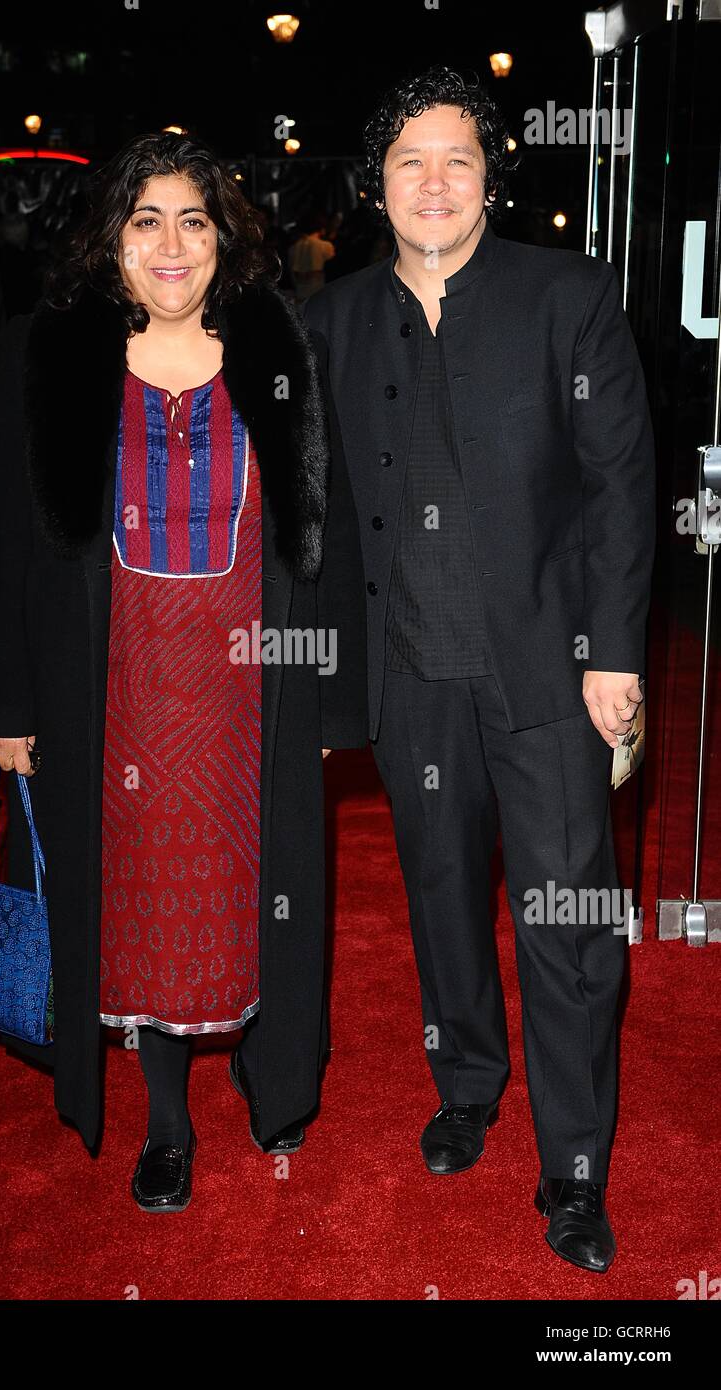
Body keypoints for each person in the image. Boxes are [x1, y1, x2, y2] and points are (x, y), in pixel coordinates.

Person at [0, 132, 366, 1211]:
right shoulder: (45, 352)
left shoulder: (280, 351)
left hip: (248, 687)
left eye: (194, 220)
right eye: (147, 221)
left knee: (249, 890)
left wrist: (327, 691)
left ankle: (258, 1053)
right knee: (133, 902)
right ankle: (166, 1117)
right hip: (114, 682)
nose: (172, 244)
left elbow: (325, 536)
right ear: (112, 243)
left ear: (224, 241)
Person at [305, 66, 655, 1272]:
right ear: (376, 185)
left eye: (457, 158)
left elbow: (620, 487)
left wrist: (613, 654)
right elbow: (319, 508)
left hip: (551, 676)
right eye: (409, 161)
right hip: (413, 677)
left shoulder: (569, 296)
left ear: (489, 176)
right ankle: (466, 1083)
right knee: (440, 902)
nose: (434, 182)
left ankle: (571, 1170)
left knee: (565, 929)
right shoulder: (333, 318)